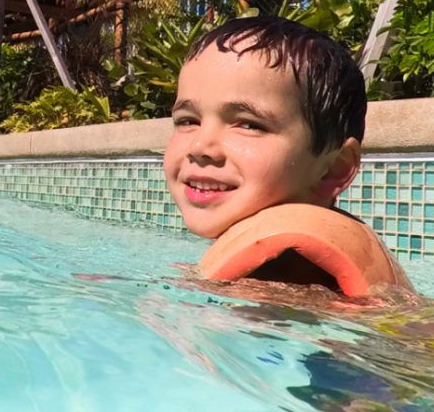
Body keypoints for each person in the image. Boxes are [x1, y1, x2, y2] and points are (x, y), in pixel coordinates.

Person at [163, 15, 408, 292]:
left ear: (333, 168)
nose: (199, 147)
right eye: (188, 121)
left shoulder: (290, 290)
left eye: (248, 124)